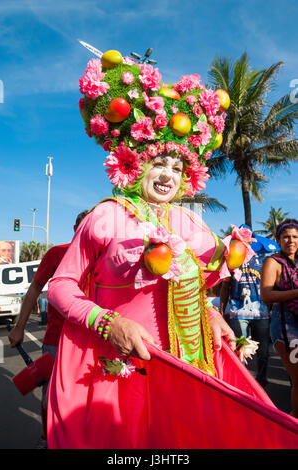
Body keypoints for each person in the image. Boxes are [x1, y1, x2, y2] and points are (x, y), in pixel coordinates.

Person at [46, 51, 298, 449]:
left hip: (184, 366)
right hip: (120, 365)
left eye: (178, 168)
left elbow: (199, 286)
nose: (168, 175)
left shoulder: (190, 223)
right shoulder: (108, 216)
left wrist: (210, 316)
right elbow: (60, 287)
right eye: (160, 163)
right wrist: (108, 323)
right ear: (137, 163)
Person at [8, 210, 88, 448]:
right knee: (51, 397)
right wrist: (19, 328)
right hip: (56, 340)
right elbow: (34, 290)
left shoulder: (104, 256)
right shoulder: (56, 254)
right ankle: (47, 438)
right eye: (83, 227)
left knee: (87, 398)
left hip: (91, 343)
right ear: (75, 229)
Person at [261, 218, 298, 417]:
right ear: (278, 240)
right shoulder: (273, 262)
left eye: (294, 237)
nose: (290, 240)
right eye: (286, 237)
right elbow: (266, 296)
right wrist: (296, 292)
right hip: (287, 329)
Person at [220, 250, 270, 388]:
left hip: (261, 315)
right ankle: (242, 383)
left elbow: (270, 286)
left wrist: (269, 308)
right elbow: (225, 287)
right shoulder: (231, 261)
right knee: (239, 350)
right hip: (238, 315)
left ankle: (261, 381)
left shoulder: (263, 261)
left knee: (263, 351)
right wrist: (222, 311)